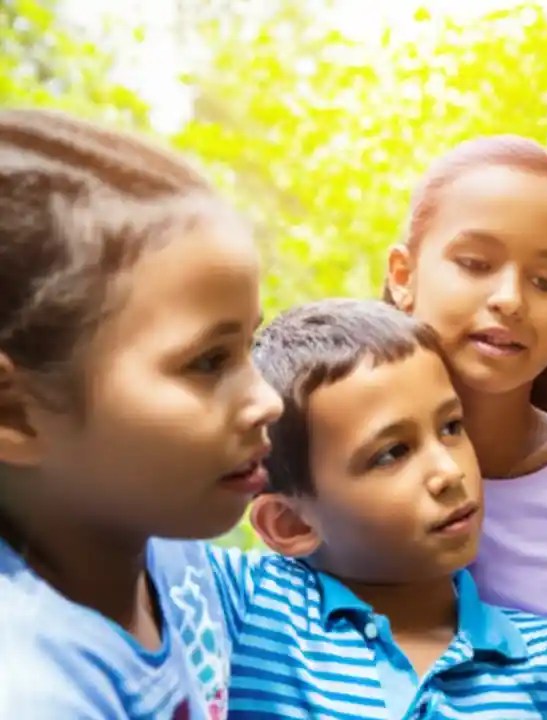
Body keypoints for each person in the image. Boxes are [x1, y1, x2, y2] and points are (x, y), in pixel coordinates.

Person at [0, 109, 283, 718]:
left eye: (248, 348)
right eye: (208, 362)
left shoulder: (159, 545)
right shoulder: (32, 691)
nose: (268, 400)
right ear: (15, 414)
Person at [211, 298, 547, 719]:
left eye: (451, 427)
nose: (449, 471)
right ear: (289, 524)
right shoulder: (244, 605)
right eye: (392, 453)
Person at [382, 137, 547, 624]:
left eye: (546, 282)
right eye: (474, 264)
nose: (510, 299)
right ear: (403, 276)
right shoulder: (330, 445)